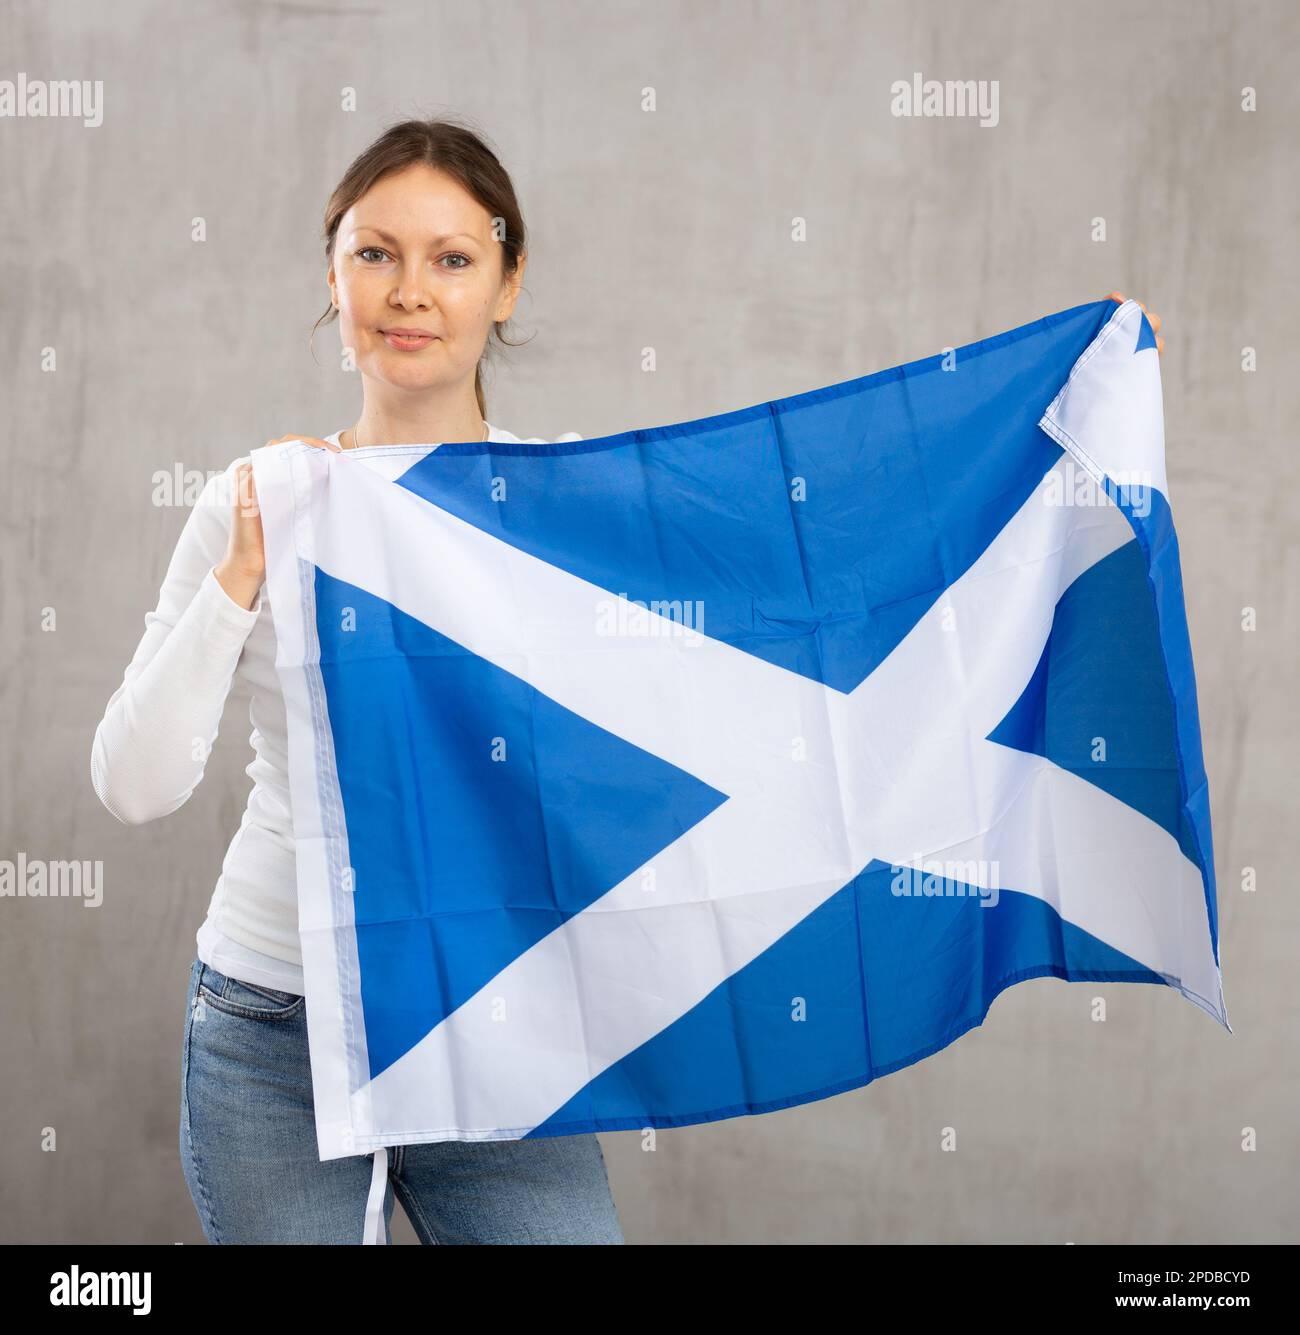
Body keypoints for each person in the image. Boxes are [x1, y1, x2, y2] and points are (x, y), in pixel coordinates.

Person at [90, 117, 624, 1245]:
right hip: (272, 1028)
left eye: (452, 258)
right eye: (374, 252)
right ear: (331, 278)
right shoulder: (252, 499)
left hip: (490, 1016)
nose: (408, 291)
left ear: (508, 283)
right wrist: (243, 568)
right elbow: (132, 786)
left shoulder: (566, 509)